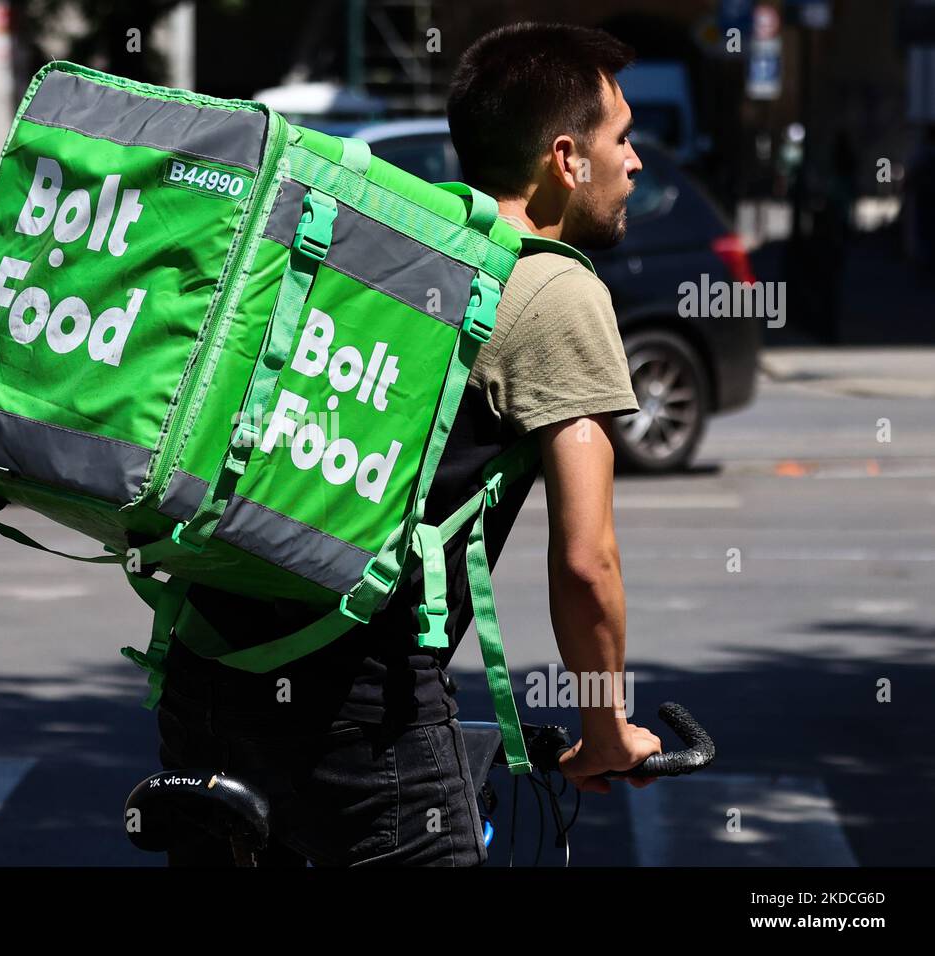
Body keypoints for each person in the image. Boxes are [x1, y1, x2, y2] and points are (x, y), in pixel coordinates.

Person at [153, 21, 662, 867]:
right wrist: (606, 730)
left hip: (203, 672)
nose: (636, 161)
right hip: (363, 707)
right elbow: (587, 563)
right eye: (624, 138)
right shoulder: (554, 290)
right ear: (566, 159)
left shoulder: (390, 259)